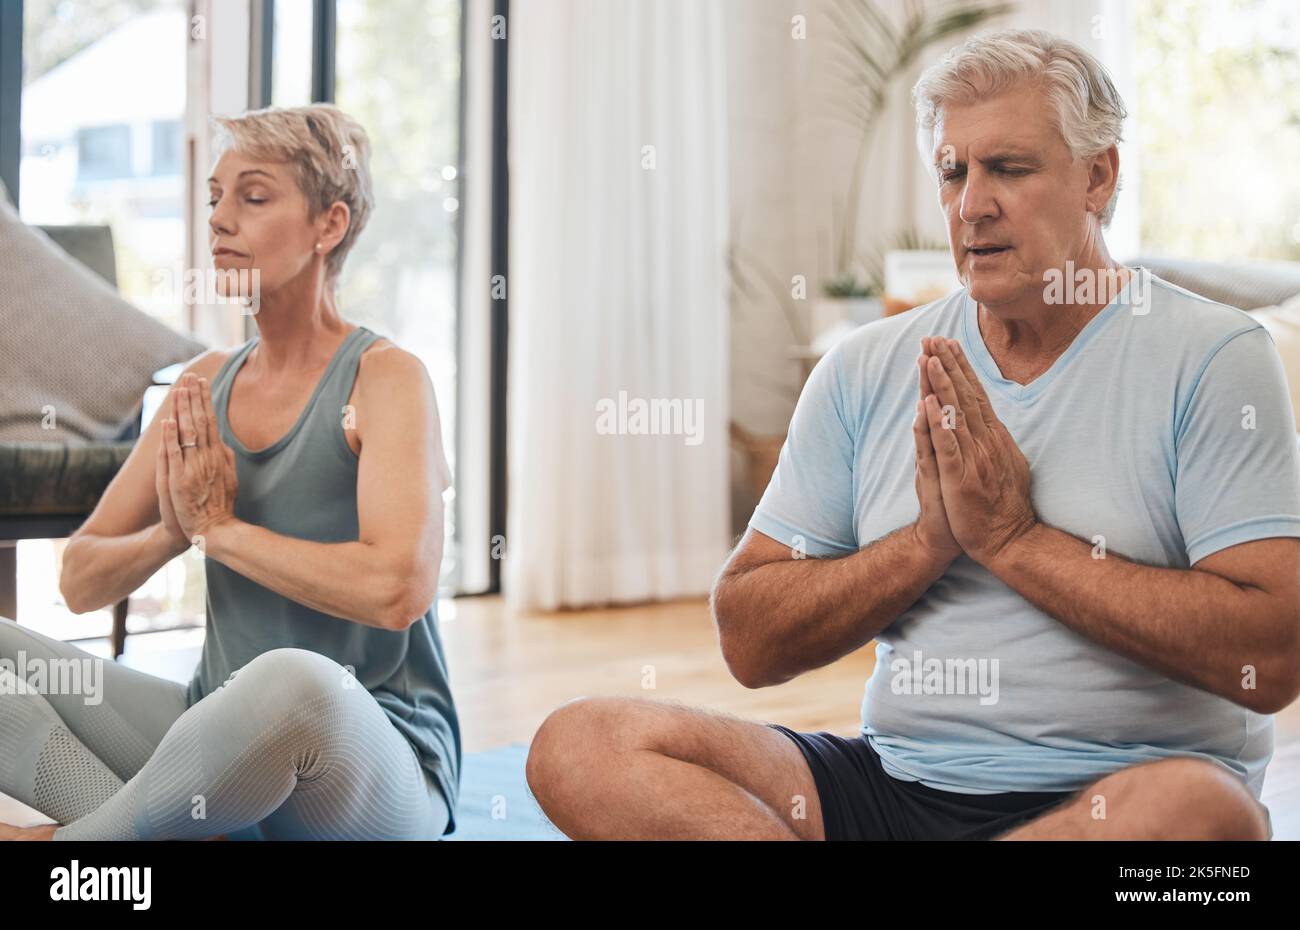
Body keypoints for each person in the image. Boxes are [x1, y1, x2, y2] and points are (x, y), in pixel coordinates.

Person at [525, 28, 1298, 840]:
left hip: (1117, 797)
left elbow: (1271, 658)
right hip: (894, 787)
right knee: (582, 743)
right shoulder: (865, 365)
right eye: (953, 172)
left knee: (1205, 817)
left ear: (1098, 175)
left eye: (1010, 168)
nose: (971, 205)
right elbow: (749, 640)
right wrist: (926, 544)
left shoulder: (1215, 359)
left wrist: (1014, 539)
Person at [0, 103, 461, 840]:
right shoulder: (205, 385)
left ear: (328, 226)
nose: (218, 220)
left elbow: (397, 589)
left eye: (252, 196)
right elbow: (79, 580)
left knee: (295, 681)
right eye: (215, 198)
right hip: (211, 742)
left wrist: (222, 531)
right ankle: (152, 832)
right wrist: (173, 535)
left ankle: (72, 850)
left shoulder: (385, 379)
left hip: (369, 761)